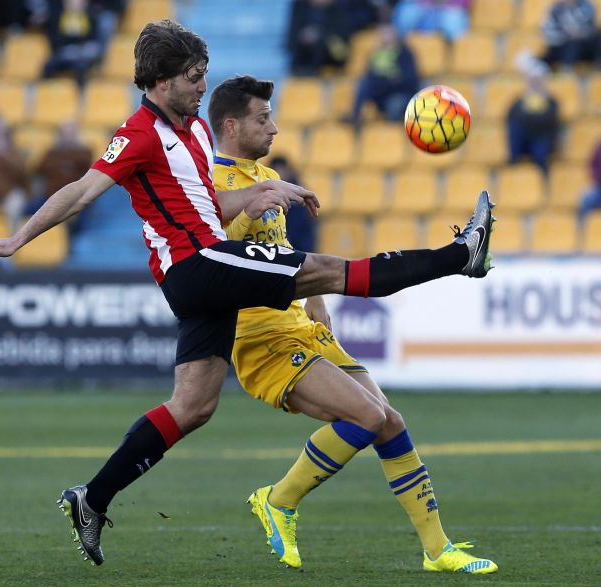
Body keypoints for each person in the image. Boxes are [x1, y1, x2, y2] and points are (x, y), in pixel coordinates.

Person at [0, 19, 495, 567]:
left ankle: (92, 498)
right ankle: (461, 255)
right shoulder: (140, 134)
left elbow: (205, 207)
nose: (201, 87)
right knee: (333, 271)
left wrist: (262, 189)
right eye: (194, 77)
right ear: (163, 81)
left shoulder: (191, 129)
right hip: (198, 265)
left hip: (199, 274)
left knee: (193, 407)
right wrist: (17, 238)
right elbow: (79, 193)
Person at [209, 74, 497, 574]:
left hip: (300, 326)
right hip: (260, 339)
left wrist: (317, 302)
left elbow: (282, 258)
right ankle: (278, 500)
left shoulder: (263, 176)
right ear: (231, 125)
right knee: (364, 417)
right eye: (263, 118)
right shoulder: (216, 185)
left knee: (389, 422)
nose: (274, 128)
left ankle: (438, 550)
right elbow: (215, 254)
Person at [349, 24, 421, 126]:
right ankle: (355, 117)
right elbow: (370, 76)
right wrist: (387, 80)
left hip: (400, 92)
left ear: (395, 35)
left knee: (394, 105)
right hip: (381, 92)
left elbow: (409, 78)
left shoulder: (405, 53)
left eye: (388, 33)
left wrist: (388, 81)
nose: (384, 37)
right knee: (363, 85)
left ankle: (393, 134)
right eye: (382, 34)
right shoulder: (375, 54)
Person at [506, 58, 560, 174]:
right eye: (533, 81)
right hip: (524, 137)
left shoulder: (551, 101)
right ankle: (512, 167)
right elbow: (511, 115)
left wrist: (529, 115)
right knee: (514, 128)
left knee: (541, 147)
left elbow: (550, 119)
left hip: (541, 138)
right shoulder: (520, 100)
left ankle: (541, 174)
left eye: (538, 81)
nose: (535, 84)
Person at [541, 0, 597, 70]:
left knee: (573, 44)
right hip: (562, 44)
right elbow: (548, 32)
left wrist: (578, 32)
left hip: (582, 46)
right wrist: (565, 34)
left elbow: (590, 30)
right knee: (553, 50)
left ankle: (567, 68)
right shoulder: (556, 9)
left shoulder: (586, 6)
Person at [392, 0, 471, 42]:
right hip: (424, 7)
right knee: (407, 10)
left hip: (450, 9)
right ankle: (400, 42)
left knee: (453, 18)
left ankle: (453, 53)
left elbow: (464, 2)